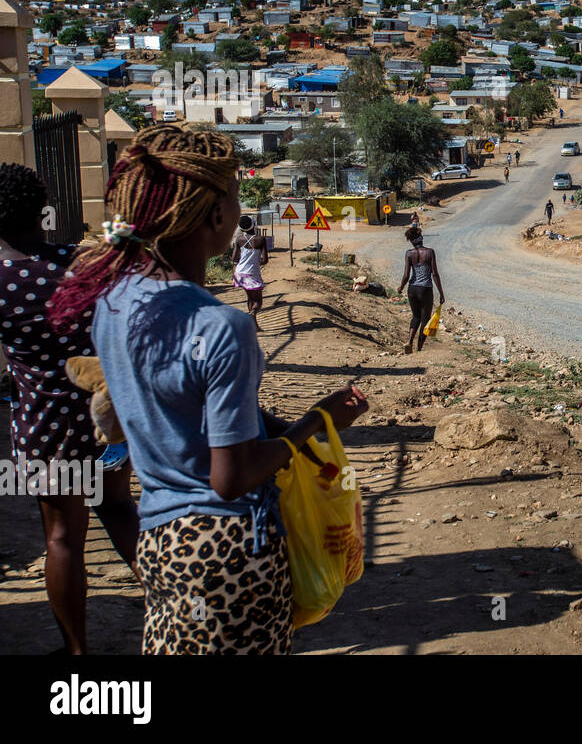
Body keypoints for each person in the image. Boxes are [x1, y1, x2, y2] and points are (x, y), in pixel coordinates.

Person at [49, 125, 369, 655]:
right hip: (228, 548)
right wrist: (316, 421)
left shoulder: (113, 305)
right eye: (236, 197)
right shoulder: (222, 327)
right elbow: (231, 477)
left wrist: (265, 423)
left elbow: (164, 413)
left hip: (160, 540)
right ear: (217, 216)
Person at [0, 163, 138, 654]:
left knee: (61, 537)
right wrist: (120, 213)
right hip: (107, 422)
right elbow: (123, 242)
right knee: (120, 510)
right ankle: (181, 608)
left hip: (43, 428)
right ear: (42, 210)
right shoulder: (80, 261)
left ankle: (77, 651)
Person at [395, 225, 444, 354]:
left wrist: (401, 287)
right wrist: (441, 293)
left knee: (415, 316)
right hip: (425, 289)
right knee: (425, 319)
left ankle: (409, 341)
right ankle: (419, 348)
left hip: (412, 289)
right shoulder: (429, 252)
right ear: (421, 238)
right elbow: (435, 274)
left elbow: (406, 275)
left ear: (411, 241)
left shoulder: (409, 253)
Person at [230, 215, 268, 331]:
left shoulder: (239, 239)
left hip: (240, 272)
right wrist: (255, 262)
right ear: (253, 225)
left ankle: (254, 326)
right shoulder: (260, 239)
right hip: (252, 273)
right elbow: (265, 260)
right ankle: (253, 312)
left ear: (241, 228)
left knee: (250, 298)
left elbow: (233, 258)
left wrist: (244, 260)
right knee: (258, 301)